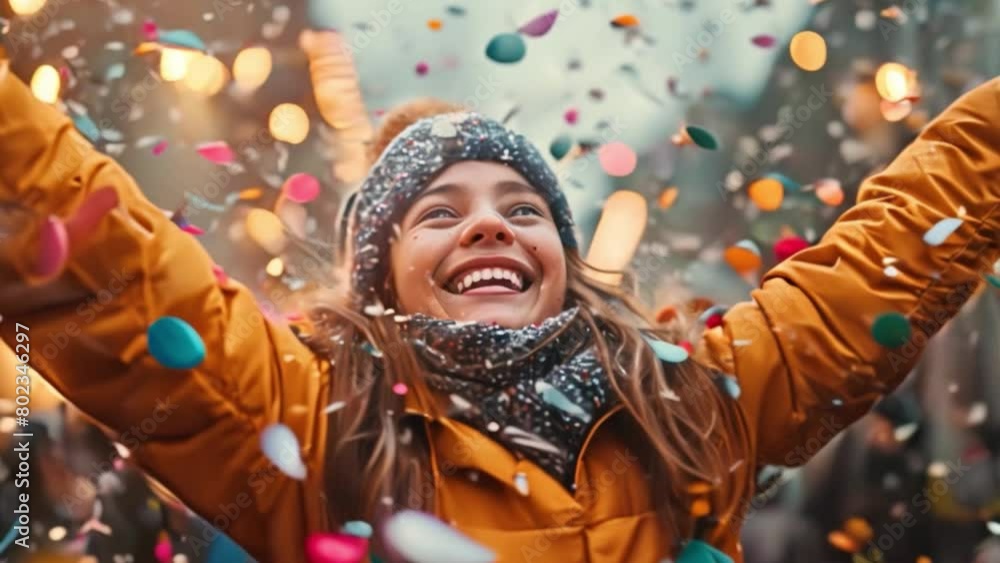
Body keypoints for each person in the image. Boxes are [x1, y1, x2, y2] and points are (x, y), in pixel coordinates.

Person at [0, 40, 998, 561]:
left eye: (523, 207)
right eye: (439, 212)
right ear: (378, 278)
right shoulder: (311, 426)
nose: (489, 225)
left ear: (561, 258)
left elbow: (879, 261)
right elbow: (108, 264)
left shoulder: (693, 407)